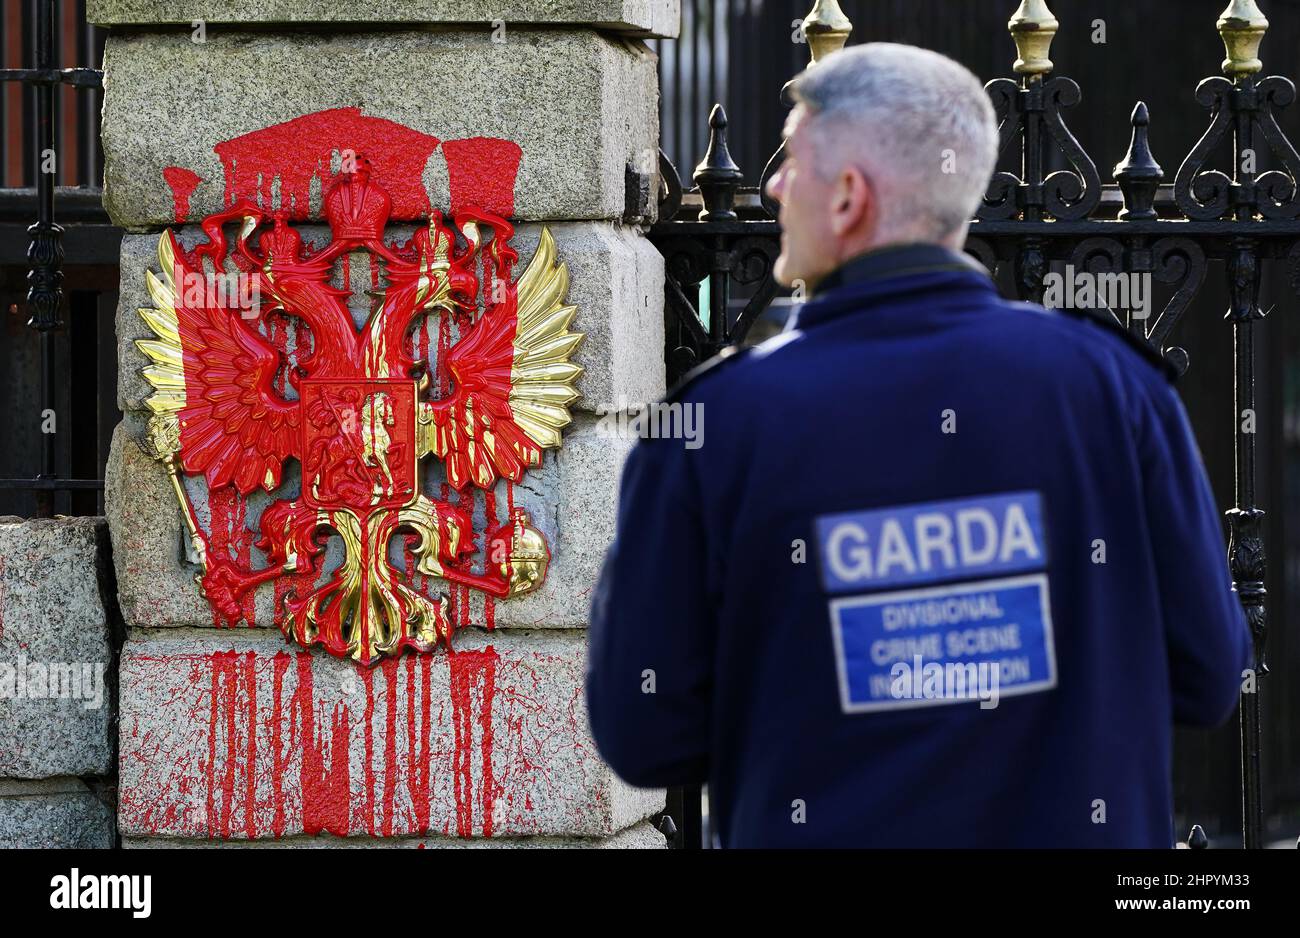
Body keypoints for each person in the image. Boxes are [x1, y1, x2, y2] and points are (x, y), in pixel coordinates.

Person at [585, 43, 1252, 848]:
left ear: (848, 199)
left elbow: (644, 732)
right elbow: (1211, 680)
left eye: (792, 161)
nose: (769, 187)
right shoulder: (1117, 389)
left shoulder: (716, 425)